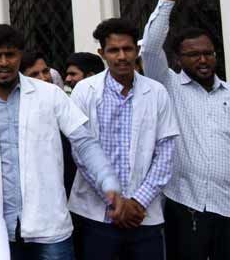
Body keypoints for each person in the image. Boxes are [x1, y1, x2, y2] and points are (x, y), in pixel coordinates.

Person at [0, 24, 123, 259]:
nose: (3, 62)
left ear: (20, 56)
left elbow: (84, 142)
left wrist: (108, 182)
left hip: (49, 223)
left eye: (10, 55)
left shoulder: (50, 95)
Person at [141, 0, 230, 259]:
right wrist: (168, 0)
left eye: (208, 53)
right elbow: (149, 48)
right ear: (177, 60)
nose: (203, 59)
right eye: (193, 55)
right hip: (186, 205)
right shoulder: (168, 86)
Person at [67, 18, 179, 259]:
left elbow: (166, 152)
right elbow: (81, 151)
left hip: (143, 215)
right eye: (113, 50)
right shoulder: (84, 91)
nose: (121, 56)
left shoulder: (156, 92)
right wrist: (115, 200)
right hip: (96, 215)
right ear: (102, 53)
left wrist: (137, 203)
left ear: (137, 51)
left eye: (127, 49)